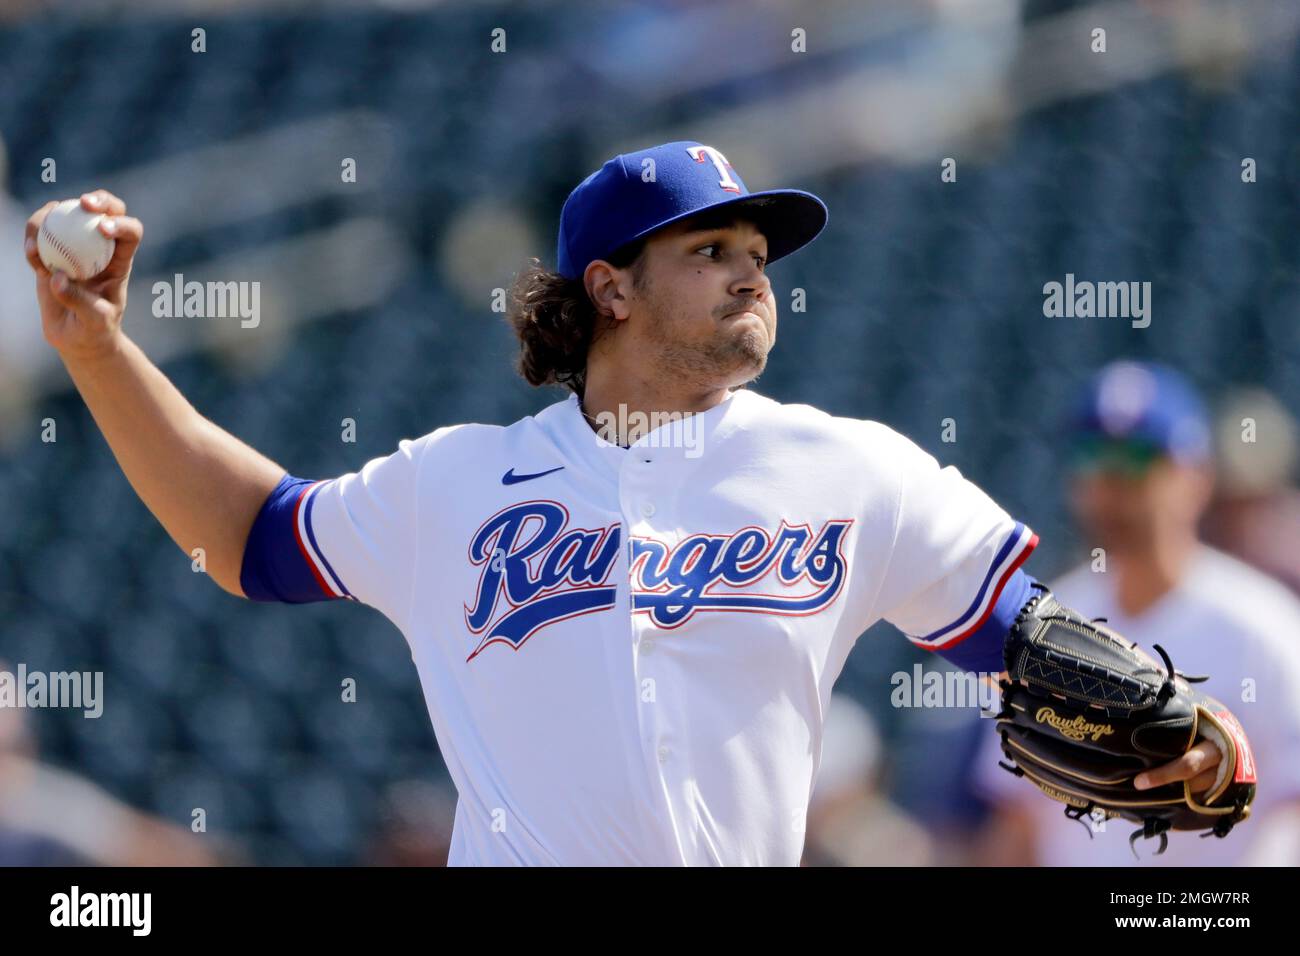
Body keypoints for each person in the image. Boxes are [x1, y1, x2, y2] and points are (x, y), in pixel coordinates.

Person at [24, 141, 1225, 866]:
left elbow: (1010, 624)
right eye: (709, 249)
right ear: (608, 287)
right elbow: (247, 532)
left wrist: (1162, 715)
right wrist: (96, 352)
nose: (753, 266)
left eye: (758, 247)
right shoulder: (457, 480)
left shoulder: (852, 467)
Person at [971, 361, 1300, 866]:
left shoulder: (1265, 626)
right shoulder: (1045, 623)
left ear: (1196, 476)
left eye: (1138, 456)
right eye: (1092, 455)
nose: (1112, 482)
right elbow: (1016, 820)